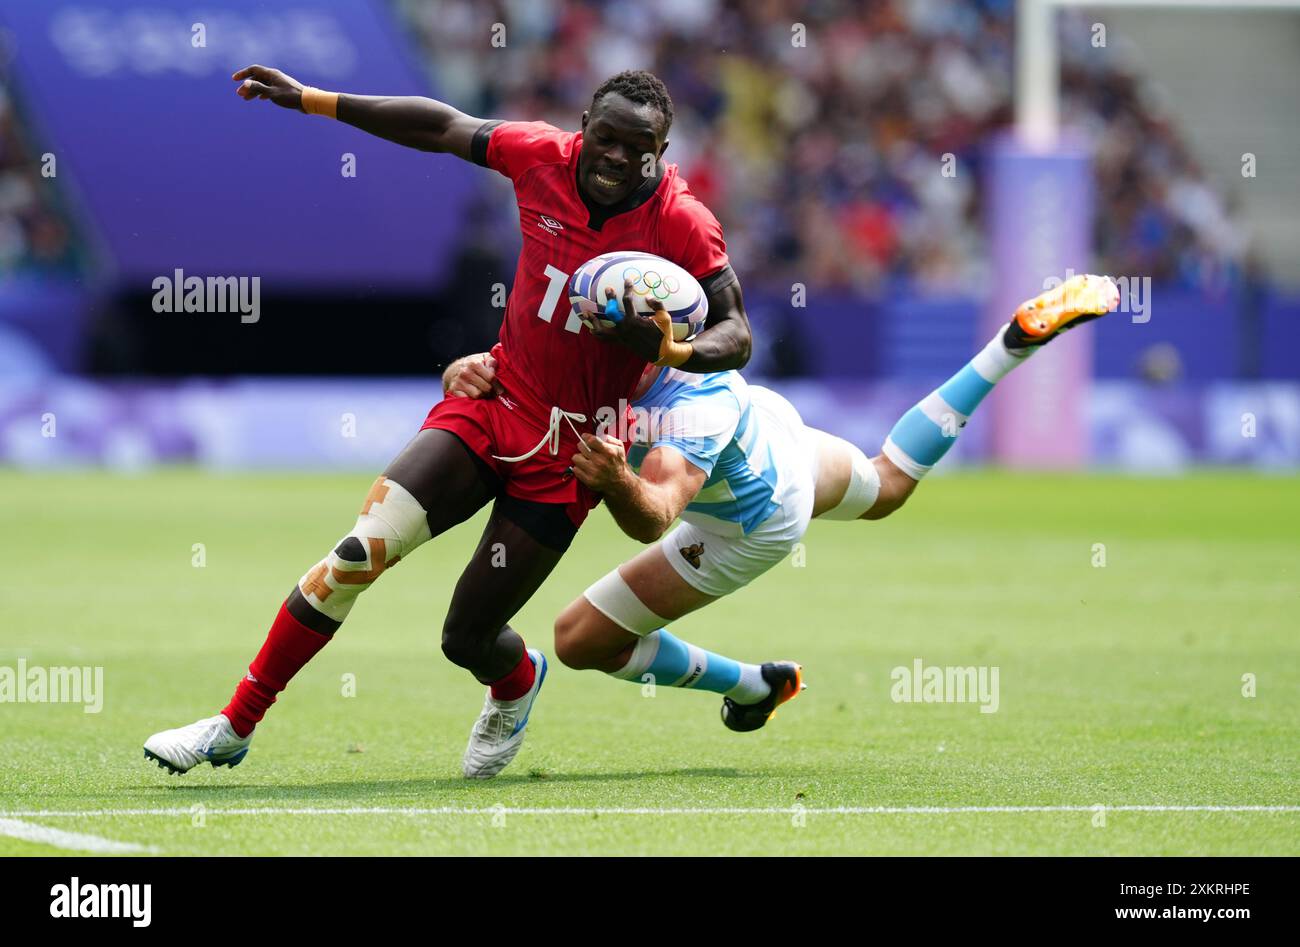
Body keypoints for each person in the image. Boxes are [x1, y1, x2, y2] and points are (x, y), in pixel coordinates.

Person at [143, 67, 751, 780]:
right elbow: (439, 126)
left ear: (662, 148)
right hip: (492, 403)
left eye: (638, 147)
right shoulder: (537, 156)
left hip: (572, 453)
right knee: (354, 554)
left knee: (465, 638)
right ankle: (233, 722)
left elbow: (736, 330)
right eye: (606, 137)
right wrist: (312, 100)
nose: (617, 156)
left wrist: (677, 349)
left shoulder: (682, 222)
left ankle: (517, 679)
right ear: (584, 124)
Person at [445, 274, 1118, 751]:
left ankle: (747, 685)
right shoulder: (645, 356)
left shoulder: (690, 410)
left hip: (752, 520)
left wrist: (618, 479)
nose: (584, 339)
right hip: (775, 433)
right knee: (885, 486)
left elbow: (654, 514)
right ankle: (1008, 348)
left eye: (602, 329)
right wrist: (474, 368)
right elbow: (529, 368)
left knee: (577, 639)